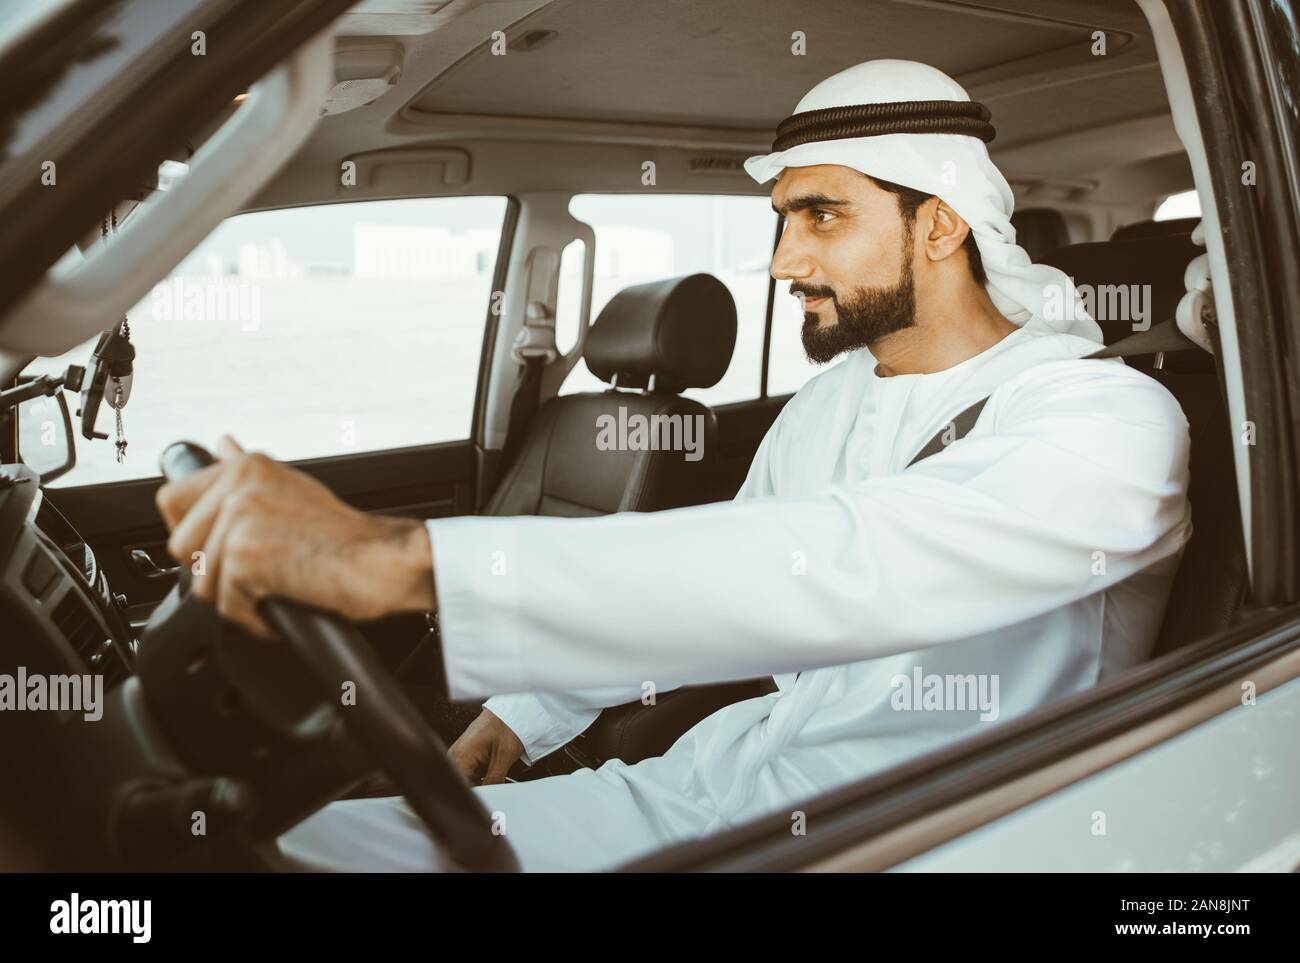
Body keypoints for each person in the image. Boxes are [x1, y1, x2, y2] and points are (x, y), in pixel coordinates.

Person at [156, 60, 1192, 871]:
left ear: (940, 221)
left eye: (820, 216)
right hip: (726, 783)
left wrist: (401, 558)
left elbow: (838, 562)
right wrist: (528, 713)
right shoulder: (834, 399)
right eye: (781, 220)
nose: (783, 261)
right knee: (267, 854)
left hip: (942, 831)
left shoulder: (1109, 423)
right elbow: (718, 577)